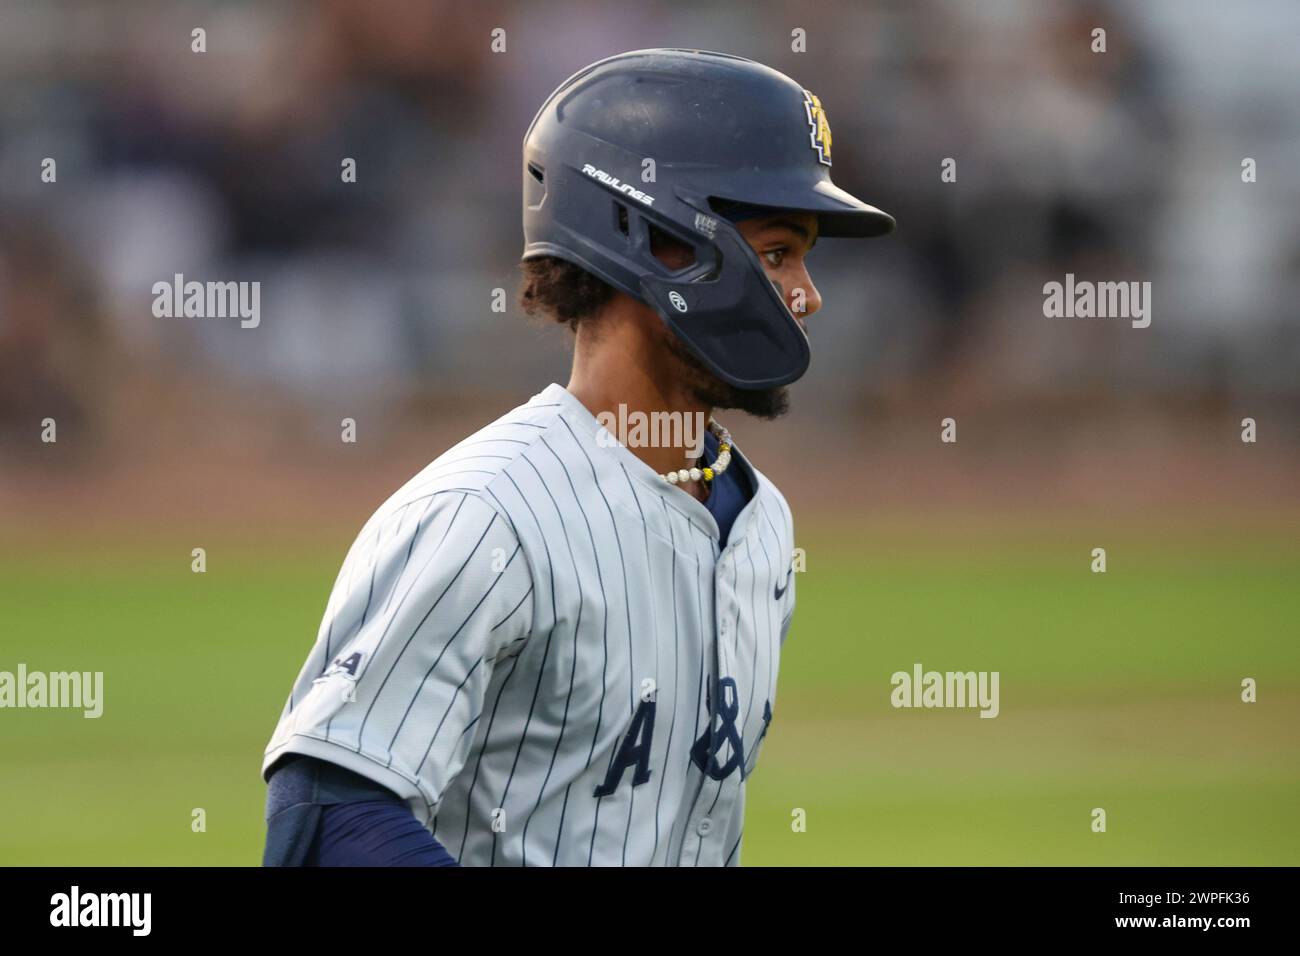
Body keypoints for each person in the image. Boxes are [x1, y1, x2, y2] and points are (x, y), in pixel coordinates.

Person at [261, 48, 893, 867]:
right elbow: (329, 812)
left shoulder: (763, 523)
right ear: (662, 244)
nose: (807, 293)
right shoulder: (486, 515)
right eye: (777, 252)